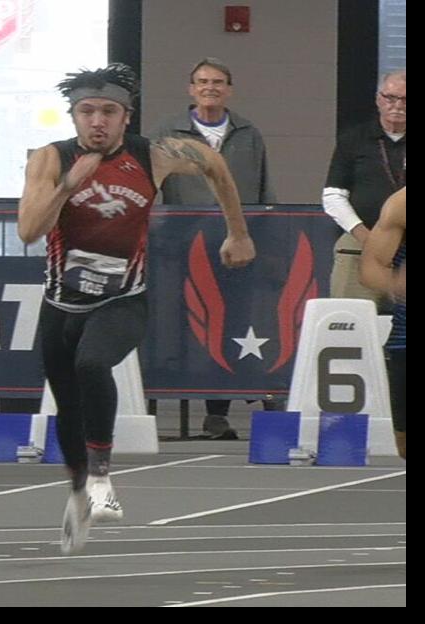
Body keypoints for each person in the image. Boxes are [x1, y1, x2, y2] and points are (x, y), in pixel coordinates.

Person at [17, 64, 255, 554]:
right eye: (87, 112)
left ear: (126, 117)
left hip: (123, 298)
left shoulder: (155, 155)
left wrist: (237, 230)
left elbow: (214, 163)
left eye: (108, 111)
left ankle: (103, 476)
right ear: (74, 116)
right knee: (67, 403)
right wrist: (68, 186)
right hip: (61, 303)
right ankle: (80, 490)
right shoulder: (49, 159)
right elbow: (28, 230)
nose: (97, 121)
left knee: (92, 362)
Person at [150, 56, 278, 438]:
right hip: (181, 247)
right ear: (191, 89)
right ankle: (168, 398)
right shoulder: (167, 132)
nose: (210, 87)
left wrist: (262, 237)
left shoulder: (248, 133)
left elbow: (262, 189)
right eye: (203, 81)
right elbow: (152, 188)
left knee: (233, 322)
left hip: (234, 246)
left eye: (218, 82)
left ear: (229, 89)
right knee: (180, 322)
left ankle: (218, 410)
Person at [323, 70, 405, 303]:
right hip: (359, 244)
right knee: (351, 321)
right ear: (379, 99)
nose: (397, 105)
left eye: (405, 99)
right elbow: (333, 196)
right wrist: (366, 237)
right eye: (390, 97)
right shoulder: (353, 139)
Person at [359, 187, 405, 460]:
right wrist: (396, 284)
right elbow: (371, 268)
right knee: (404, 446)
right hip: (404, 337)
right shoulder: (401, 204)